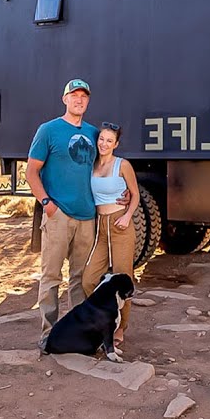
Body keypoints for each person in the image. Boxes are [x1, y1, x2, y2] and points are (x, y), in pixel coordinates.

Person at [27, 78, 99, 347]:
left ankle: (76, 333)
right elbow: (31, 172)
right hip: (58, 215)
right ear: (64, 99)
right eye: (74, 95)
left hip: (86, 216)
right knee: (51, 276)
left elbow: (101, 171)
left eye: (84, 96)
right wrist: (47, 203)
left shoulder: (93, 134)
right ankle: (48, 334)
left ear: (88, 101)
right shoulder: (49, 130)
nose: (79, 100)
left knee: (80, 279)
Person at [81, 121, 140, 349]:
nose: (104, 144)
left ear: (116, 144)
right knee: (89, 278)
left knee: (123, 277)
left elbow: (134, 195)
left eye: (109, 140)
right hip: (100, 226)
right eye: (101, 139)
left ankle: (120, 327)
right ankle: (100, 318)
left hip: (120, 224)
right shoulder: (92, 164)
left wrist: (127, 216)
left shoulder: (122, 165)